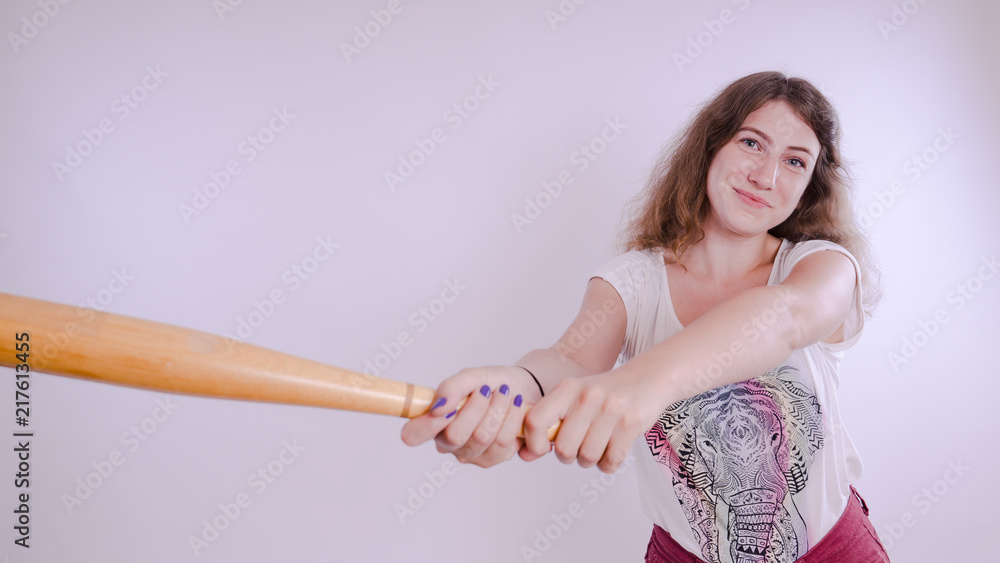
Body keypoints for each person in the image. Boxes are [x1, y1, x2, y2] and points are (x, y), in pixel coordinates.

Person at [402, 71, 890, 562]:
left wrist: (642, 384)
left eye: (795, 161)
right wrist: (514, 388)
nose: (766, 176)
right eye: (751, 143)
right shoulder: (633, 281)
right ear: (711, 146)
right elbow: (570, 362)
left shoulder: (821, 266)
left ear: (808, 188)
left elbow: (785, 316)